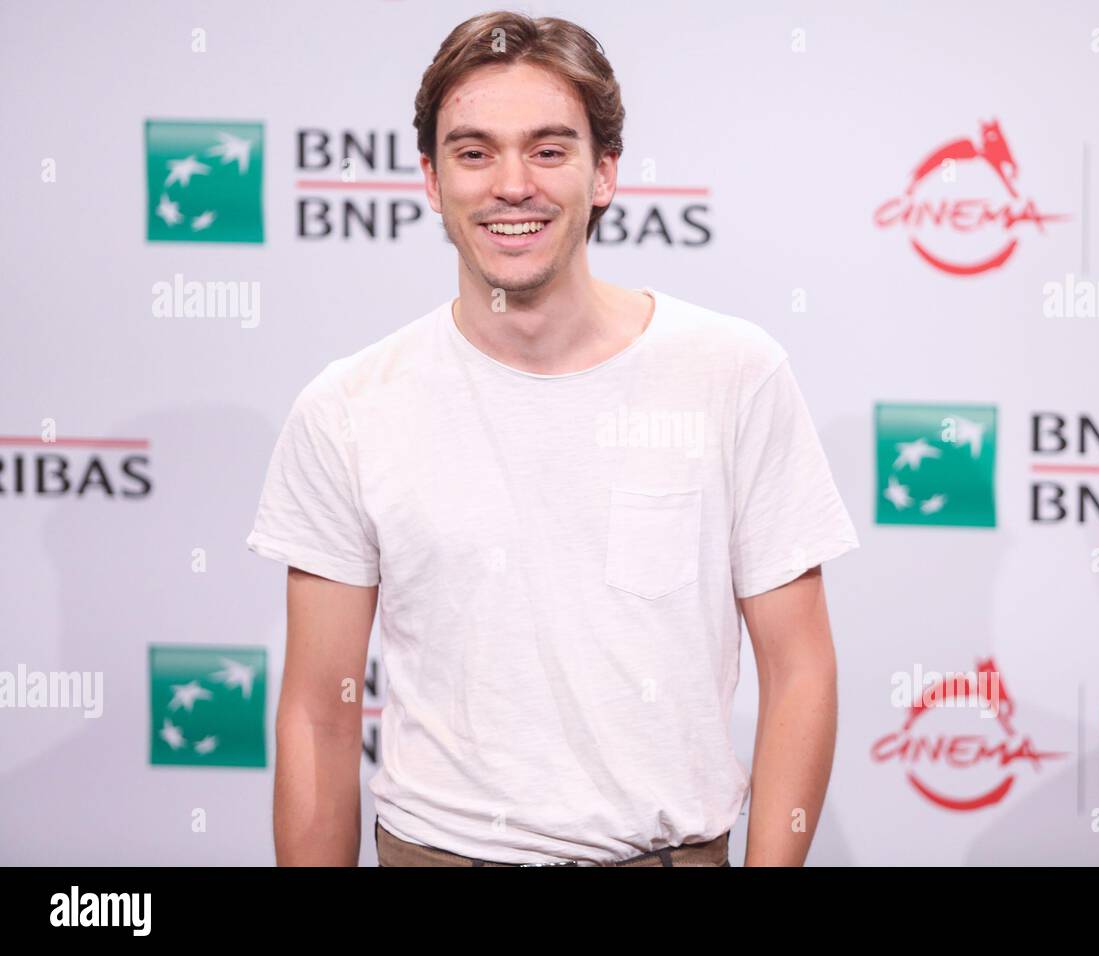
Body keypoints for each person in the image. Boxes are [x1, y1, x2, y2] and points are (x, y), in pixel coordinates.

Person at [246, 10, 859, 867]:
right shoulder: (348, 406)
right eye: (473, 151)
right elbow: (318, 709)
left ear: (604, 172)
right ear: (429, 178)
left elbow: (801, 672)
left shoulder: (733, 373)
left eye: (548, 149)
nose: (511, 185)